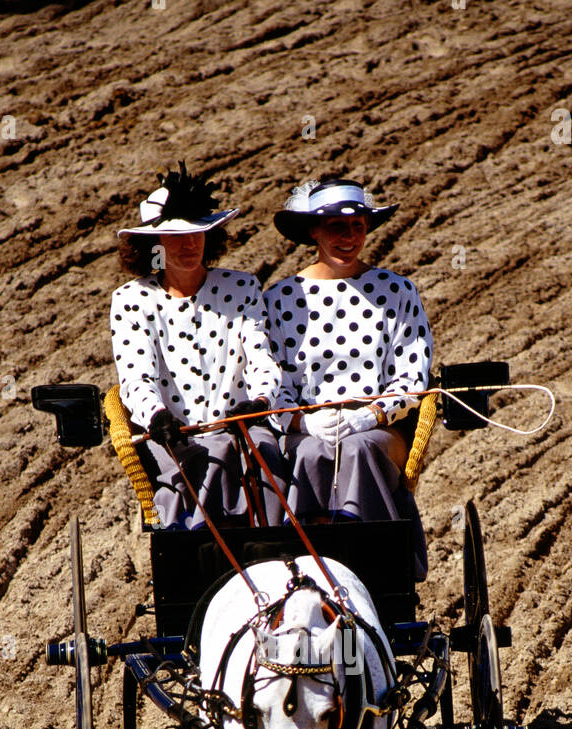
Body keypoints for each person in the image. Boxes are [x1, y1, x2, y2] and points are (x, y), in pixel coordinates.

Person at [263, 176, 433, 576]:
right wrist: (303, 420)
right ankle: (301, 567)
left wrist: (367, 416)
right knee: (307, 453)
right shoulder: (281, 299)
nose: (349, 236)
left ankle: (377, 570)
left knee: (358, 449)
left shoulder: (397, 291)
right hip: (307, 429)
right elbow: (272, 382)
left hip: (378, 428)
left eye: (357, 225)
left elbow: (412, 377)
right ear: (313, 231)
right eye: (336, 226)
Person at [112, 164, 287, 527]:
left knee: (267, 456)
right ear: (154, 245)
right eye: (176, 237)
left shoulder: (242, 288)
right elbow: (135, 377)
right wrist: (157, 416)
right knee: (205, 459)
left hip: (240, 425)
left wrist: (259, 402)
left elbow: (261, 358)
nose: (190, 244)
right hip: (172, 434)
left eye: (198, 233)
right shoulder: (131, 300)